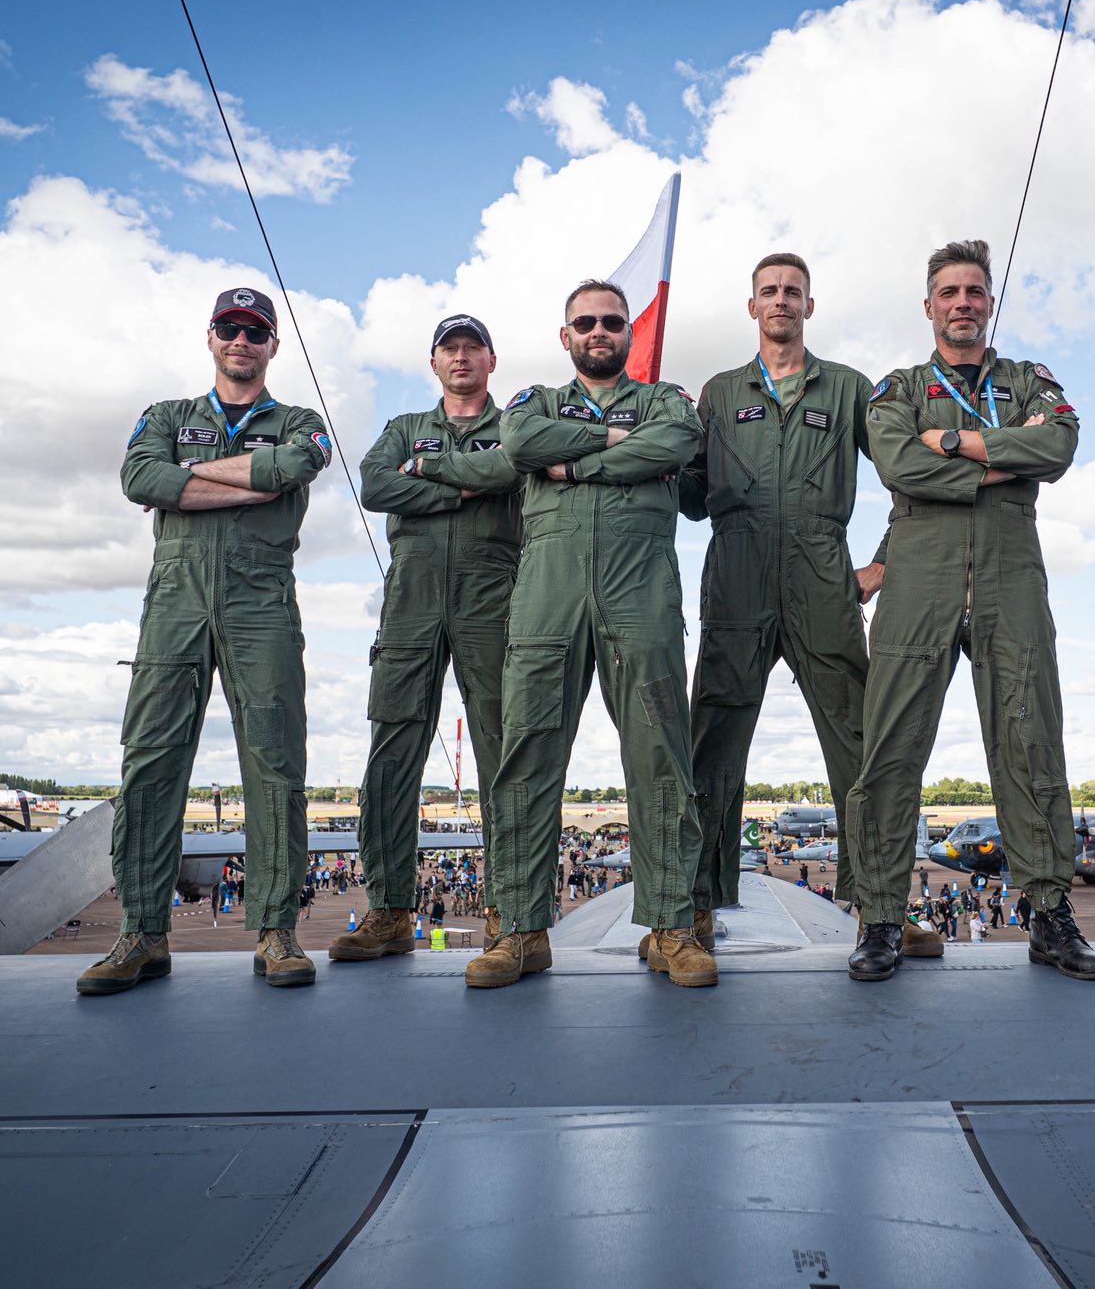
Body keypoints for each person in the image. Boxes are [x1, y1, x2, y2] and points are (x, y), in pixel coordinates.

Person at [842, 240, 1095, 983]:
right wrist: (1000, 462)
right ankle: (882, 917)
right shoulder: (896, 390)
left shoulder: (1028, 379)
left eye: (975, 291)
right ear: (929, 307)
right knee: (890, 750)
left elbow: (1056, 445)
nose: (963, 302)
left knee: (1030, 743)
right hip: (919, 576)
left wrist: (957, 442)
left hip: (1010, 575)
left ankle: (1050, 916)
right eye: (949, 292)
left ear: (990, 303)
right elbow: (899, 464)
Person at [79, 287, 332, 996]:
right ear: (211, 337)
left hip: (262, 602)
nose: (241, 340)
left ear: (273, 344)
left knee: (275, 764)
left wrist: (184, 482)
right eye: (230, 327)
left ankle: (277, 930)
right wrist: (242, 483)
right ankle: (142, 932)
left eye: (255, 331)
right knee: (151, 761)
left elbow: (291, 468)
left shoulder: (300, 421)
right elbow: (138, 477)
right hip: (175, 600)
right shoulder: (166, 416)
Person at [471, 279, 712, 989]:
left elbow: (677, 441)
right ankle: (519, 930)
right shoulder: (534, 403)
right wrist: (620, 444)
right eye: (586, 322)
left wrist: (573, 463)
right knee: (528, 754)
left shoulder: (665, 402)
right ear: (566, 334)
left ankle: (671, 926)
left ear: (629, 333)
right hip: (547, 593)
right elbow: (517, 441)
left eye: (612, 321)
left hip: (642, 591)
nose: (600, 331)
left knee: (663, 753)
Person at [670, 253, 906, 957]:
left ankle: (879, 909)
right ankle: (699, 908)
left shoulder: (848, 389)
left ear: (809, 305)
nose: (781, 301)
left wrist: (883, 563)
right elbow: (688, 502)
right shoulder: (715, 394)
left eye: (792, 292)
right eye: (769, 292)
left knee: (859, 745)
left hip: (821, 576)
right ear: (752, 308)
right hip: (735, 575)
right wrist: (666, 444)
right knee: (711, 748)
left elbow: (906, 474)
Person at [333, 315, 522, 963]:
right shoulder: (401, 431)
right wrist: (464, 484)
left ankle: (509, 910)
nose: (462, 357)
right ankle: (388, 910)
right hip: (410, 603)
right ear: (434, 362)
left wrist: (430, 478)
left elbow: (512, 471)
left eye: (473, 347)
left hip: (493, 599)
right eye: (450, 348)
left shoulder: (515, 428)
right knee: (390, 758)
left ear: (491, 360)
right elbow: (377, 484)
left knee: (505, 757)